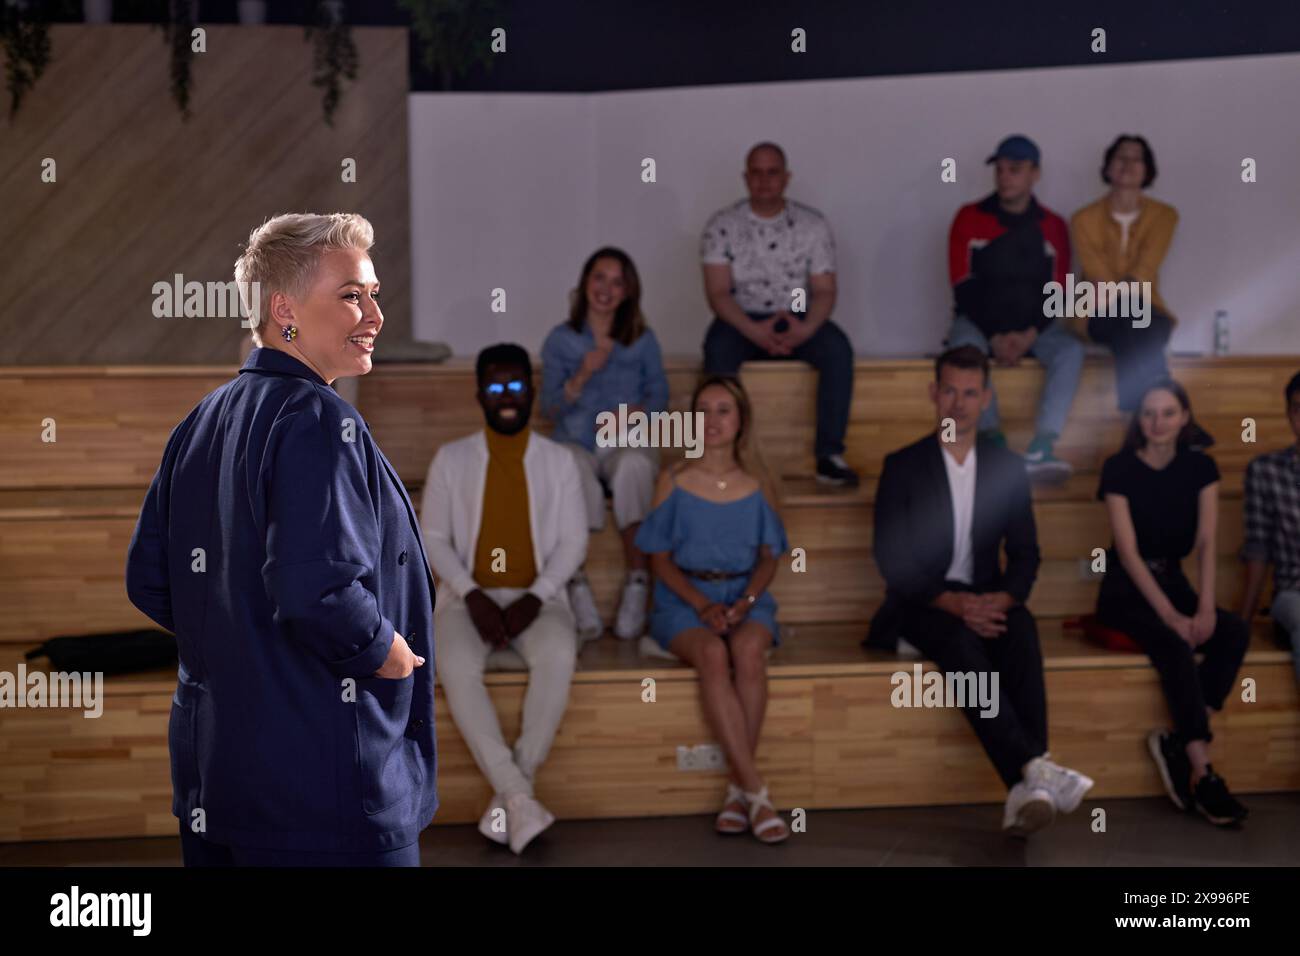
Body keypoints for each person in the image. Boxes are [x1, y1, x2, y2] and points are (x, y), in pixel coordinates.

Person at [126, 213, 436, 866]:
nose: (375, 315)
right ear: (285, 311)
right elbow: (316, 589)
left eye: (374, 293)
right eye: (352, 295)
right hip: (323, 795)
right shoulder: (320, 420)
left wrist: (247, 652)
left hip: (218, 783)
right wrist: (388, 652)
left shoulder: (202, 418)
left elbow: (150, 579)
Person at [871, 345, 1094, 836]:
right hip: (923, 602)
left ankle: (1027, 790)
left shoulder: (1005, 467)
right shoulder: (902, 465)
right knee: (958, 641)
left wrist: (1006, 598)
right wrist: (951, 602)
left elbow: (1027, 552)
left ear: (986, 398)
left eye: (971, 393)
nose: (959, 403)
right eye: (949, 390)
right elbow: (892, 560)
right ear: (934, 393)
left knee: (1021, 631)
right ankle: (1035, 765)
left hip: (988, 596)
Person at [420, 343, 587, 854]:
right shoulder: (452, 459)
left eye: (517, 385)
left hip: (541, 599)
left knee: (559, 653)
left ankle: (513, 792)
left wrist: (534, 598)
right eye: (496, 387)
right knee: (452, 662)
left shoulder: (559, 462)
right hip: (467, 599)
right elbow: (433, 538)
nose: (507, 396)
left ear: (532, 392)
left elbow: (573, 541)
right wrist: (473, 596)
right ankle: (520, 795)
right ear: (479, 395)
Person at [634, 376, 791, 843]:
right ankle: (757, 793)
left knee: (746, 652)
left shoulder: (759, 481)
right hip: (684, 602)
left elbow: (770, 556)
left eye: (724, 410)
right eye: (704, 409)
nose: (713, 420)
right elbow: (658, 558)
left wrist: (744, 603)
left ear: (741, 419)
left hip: (746, 599)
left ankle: (735, 792)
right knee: (713, 656)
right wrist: (702, 604)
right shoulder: (674, 479)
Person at [1095, 379, 1250, 826]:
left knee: (1233, 630)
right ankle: (1203, 774)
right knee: (1173, 642)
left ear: (1184, 417)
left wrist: (1203, 607)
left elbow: (1205, 543)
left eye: (1168, 412)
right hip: (1127, 587)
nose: (1158, 422)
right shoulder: (1119, 468)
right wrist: (1170, 615)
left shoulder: (1201, 469)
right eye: (1149, 413)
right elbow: (1126, 552)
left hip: (1177, 580)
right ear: (1138, 420)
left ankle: (1181, 738)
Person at [700, 141, 858, 487]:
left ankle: (829, 455)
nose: (764, 180)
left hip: (796, 311)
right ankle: (724, 453)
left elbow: (824, 291)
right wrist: (754, 331)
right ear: (745, 178)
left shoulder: (812, 225)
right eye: (756, 172)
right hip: (740, 317)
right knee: (717, 350)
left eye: (772, 172)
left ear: (786, 178)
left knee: (837, 349)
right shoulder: (721, 224)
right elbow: (718, 294)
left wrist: (805, 328)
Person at [540, 248, 668, 642]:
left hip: (626, 440)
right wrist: (582, 375)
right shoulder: (562, 339)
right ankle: (575, 583)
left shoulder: (642, 340)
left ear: (628, 291)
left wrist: (637, 417)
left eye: (617, 282)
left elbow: (660, 396)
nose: (606, 289)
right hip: (576, 439)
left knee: (634, 468)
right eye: (600, 278)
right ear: (585, 283)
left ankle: (636, 581)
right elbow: (549, 407)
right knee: (568, 469)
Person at [946, 134, 1083, 483]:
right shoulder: (969, 217)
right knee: (964, 352)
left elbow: (1058, 291)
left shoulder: (1053, 225)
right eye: (1001, 170)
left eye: (1015, 169)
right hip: (979, 323)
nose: (1005, 176)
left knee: (1071, 351)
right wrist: (993, 336)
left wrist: (1027, 336)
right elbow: (962, 286)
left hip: (1034, 327)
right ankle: (992, 444)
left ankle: (1043, 446)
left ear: (1035, 174)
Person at [1070, 135, 1179, 413]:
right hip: (1097, 312)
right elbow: (1097, 276)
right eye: (1120, 157)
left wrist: (1127, 292)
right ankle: (1169, 402)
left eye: (1137, 158)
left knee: (1134, 325)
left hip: (1147, 312)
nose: (1128, 163)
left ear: (1148, 170)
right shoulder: (1083, 219)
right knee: (1134, 322)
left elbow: (1146, 268)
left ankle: (1134, 413)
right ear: (1107, 168)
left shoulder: (1165, 216)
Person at [1239, 370, 1300, 690]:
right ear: (1289, 414)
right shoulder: (1265, 471)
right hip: (1293, 593)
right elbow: (1258, 549)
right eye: (1298, 408)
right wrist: (1243, 623)